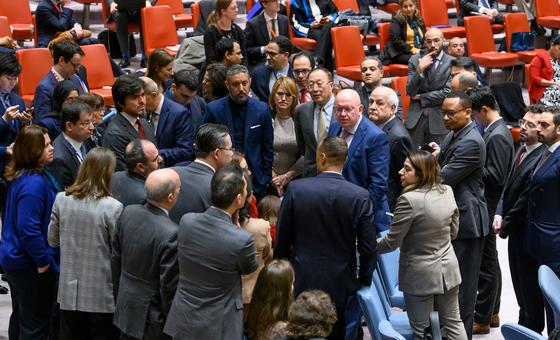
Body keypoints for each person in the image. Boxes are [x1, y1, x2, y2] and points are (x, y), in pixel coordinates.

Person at [274, 136, 377, 340]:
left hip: (301, 278)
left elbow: (282, 241)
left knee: (299, 333)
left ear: (321, 157)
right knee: (335, 332)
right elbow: (368, 248)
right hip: (340, 282)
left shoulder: (296, 189)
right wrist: (362, 281)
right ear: (345, 160)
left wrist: (285, 278)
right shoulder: (360, 196)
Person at [377, 150, 467, 340]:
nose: (400, 172)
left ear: (421, 174)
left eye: (407, 169)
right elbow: (454, 232)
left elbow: (392, 242)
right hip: (448, 270)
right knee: (453, 323)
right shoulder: (447, 191)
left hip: (420, 275)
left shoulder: (408, 200)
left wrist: (365, 246)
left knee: (421, 330)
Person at [164, 164, 258, 339]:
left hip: (184, 316)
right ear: (239, 199)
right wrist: (237, 228)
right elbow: (249, 268)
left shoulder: (186, 221)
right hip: (219, 323)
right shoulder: (241, 239)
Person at [47, 147, 122, 339]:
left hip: (69, 292)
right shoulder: (113, 207)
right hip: (102, 293)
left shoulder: (61, 200)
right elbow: (117, 252)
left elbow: (52, 240)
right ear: (108, 173)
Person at [431, 91, 488, 339]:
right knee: (449, 287)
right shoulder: (455, 133)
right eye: (443, 113)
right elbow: (437, 164)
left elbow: (441, 176)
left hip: (467, 222)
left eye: (450, 113)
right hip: (453, 218)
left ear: (468, 112)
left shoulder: (471, 142)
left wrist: (430, 166)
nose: (445, 118)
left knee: (462, 289)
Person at [0, 125, 59, 340]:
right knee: (36, 325)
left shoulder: (23, 175)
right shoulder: (33, 185)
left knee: (22, 317)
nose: (51, 148)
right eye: (45, 146)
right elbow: (28, 229)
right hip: (29, 264)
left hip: (16, 261)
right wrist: (43, 260)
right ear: (32, 151)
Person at [493, 105, 546, 333]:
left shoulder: (542, 157)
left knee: (530, 296)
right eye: (522, 122)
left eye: (530, 125)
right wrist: (498, 211)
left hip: (527, 234)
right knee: (521, 293)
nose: (522, 128)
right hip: (515, 232)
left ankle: (529, 332)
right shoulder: (522, 149)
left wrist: (505, 224)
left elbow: (524, 199)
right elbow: (508, 187)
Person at [112, 168, 180, 340]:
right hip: (151, 318)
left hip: (125, 306)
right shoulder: (172, 233)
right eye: (179, 189)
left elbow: (115, 261)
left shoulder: (128, 212)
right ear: (171, 197)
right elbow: (169, 288)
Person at [470, 87, 514, 335]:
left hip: (488, 205)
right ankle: (492, 311)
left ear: (485, 110)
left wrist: (471, 166)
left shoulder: (497, 135)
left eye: (476, 115)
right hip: (486, 205)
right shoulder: (495, 131)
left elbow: (496, 176)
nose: (475, 120)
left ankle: (483, 317)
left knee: (486, 266)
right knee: (490, 262)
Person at [203, 65, 274, 200]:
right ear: (227, 85)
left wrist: (265, 178)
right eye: (235, 84)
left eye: (244, 83)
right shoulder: (214, 109)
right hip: (223, 178)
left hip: (255, 180)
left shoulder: (262, 109)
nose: (241, 89)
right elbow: (205, 145)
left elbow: (267, 147)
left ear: (250, 82)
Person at [332, 89, 391, 233]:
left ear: (360, 109)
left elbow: (378, 185)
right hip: (338, 210)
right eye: (339, 109)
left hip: (366, 215)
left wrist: (358, 213)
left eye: (348, 109)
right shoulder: (334, 128)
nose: (343, 114)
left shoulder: (375, 137)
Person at [524, 106, 560, 333]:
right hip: (539, 240)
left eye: (544, 125)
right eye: (538, 124)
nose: (538, 129)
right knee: (548, 302)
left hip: (555, 241)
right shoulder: (545, 152)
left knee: (555, 304)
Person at [170, 123, 233, 223]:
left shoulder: (172, 174)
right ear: (217, 153)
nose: (232, 154)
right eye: (230, 149)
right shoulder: (218, 187)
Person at [406, 28, 453, 148]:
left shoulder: (452, 62)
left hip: (439, 119)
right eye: (429, 41)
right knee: (414, 157)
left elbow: (447, 93)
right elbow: (410, 91)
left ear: (443, 40)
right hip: (416, 119)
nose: (432, 45)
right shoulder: (415, 60)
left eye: (436, 40)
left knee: (437, 158)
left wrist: (421, 96)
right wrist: (419, 70)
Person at [368, 86, 413, 212]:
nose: (372, 106)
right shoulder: (375, 126)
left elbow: (404, 178)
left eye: (379, 103)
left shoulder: (398, 137)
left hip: (388, 203)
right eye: (371, 102)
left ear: (392, 109)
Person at [103, 75, 155, 171]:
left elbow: (157, 158)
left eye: (143, 95)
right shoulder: (114, 134)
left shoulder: (145, 124)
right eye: (135, 97)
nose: (142, 101)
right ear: (120, 102)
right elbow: (124, 173)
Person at [238, 170, 273, 313]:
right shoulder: (261, 227)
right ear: (249, 197)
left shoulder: (213, 227)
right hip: (253, 295)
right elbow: (268, 256)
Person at [141, 77, 194, 166]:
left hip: (169, 169)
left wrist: (152, 155)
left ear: (153, 95)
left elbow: (184, 151)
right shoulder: (145, 111)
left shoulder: (180, 114)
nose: (140, 103)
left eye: (143, 98)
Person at [294, 68, 337, 177]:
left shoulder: (343, 108)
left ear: (331, 86)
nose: (315, 89)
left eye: (319, 84)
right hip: (312, 173)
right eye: (310, 85)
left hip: (339, 172)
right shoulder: (301, 111)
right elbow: (302, 144)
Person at [46, 99, 95, 190]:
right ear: (69, 126)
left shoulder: (83, 139)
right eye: (85, 123)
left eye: (92, 122)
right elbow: (66, 197)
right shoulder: (59, 159)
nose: (92, 127)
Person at [33, 40, 88, 121]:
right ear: (61, 60)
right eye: (75, 65)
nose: (77, 69)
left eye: (79, 65)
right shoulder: (44, 88)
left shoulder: (76, 78)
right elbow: (44, 123)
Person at [270, 77, 303, 196]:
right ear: (273, 95)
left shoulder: (301, 119)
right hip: (269, 180)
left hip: (297, 180)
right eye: (280, 94)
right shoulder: (265, 118)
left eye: (288, 95)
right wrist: (274, 176)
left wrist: (288, 176)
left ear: (294, 98)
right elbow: (260, 151)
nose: (283, 98)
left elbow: (308, 151)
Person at [245, 259, 294, 340]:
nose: (293, 287)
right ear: (283, 291)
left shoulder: (252, 316)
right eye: (292, 283)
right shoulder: (284, 331)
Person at [105, 0, 157, 68]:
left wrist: (149, 2)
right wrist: (111, 3)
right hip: (120, 10)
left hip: (140, 9)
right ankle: (125, 56)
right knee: (120, 16)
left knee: (145, 17)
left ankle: (145, 56)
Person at [288, 0, 338, 70]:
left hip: (328, 26)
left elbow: (335, 13)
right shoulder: (295, 2)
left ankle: (317, 61)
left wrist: (328, 19)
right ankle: (326, 72)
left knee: (327, 28)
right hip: (312, 29)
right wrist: (311, 26)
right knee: (326, 36)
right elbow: (295, 23)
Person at [110, 139, 160, 207]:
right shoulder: (147, 197)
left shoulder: (115, 176)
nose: (160, 159)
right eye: (155, 159)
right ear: (140, 167)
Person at [244, 0, 290, 67]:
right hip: (264, 61)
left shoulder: (285, 20)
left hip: (283, 60)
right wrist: (264, 49)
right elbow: (246, 50)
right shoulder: (253, 24)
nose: (278, 2)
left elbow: (288, 42)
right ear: (265, 4)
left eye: (279, 0)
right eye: (274, 1)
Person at [250, 36, 293, 102]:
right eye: (267, 53)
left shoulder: (296, 73)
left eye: (272, 54)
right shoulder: (257, 74)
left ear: (286, 55)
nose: (268, 57)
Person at [382, 0, 426, 65]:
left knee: (433, 56)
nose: (409, 9)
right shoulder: (397, 19)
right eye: (405, 7)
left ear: (415, 5)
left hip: (418, 51)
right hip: (401, 53)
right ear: (401, 8)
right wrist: (413, 50)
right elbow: (396, 41)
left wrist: (424, 50)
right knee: (420, 59)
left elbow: (425, 38)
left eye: (411, 5)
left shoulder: (419, 19)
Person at [203, 0, 247, 64]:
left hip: (236, 69)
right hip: (217, 70)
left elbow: (244, 56)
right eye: (233, 8)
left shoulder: (237, 30)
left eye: (237, 7)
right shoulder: (210, 32)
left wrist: (243, 70)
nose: (237, 10)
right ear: (223, 11)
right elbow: (211, 60)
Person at [165, 69, 207, 135]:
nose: (189, 101)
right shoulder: (161, 105)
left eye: (193, 96)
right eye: (185, 96)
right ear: (174, 87)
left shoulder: (200, 102)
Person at [0, 54, 29, 149]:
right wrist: (4, 120)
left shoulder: (18, 100)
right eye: (9, 78)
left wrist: (25, 123)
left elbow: (20, 134)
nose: (13, 83)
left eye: (15, 78)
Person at [529, 35, 560, 105]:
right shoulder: (540, 58)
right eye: (559, 49)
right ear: (552, 45)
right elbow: (535, 79)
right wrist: (554, 83)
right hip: (545, 90)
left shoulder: (558, 59)